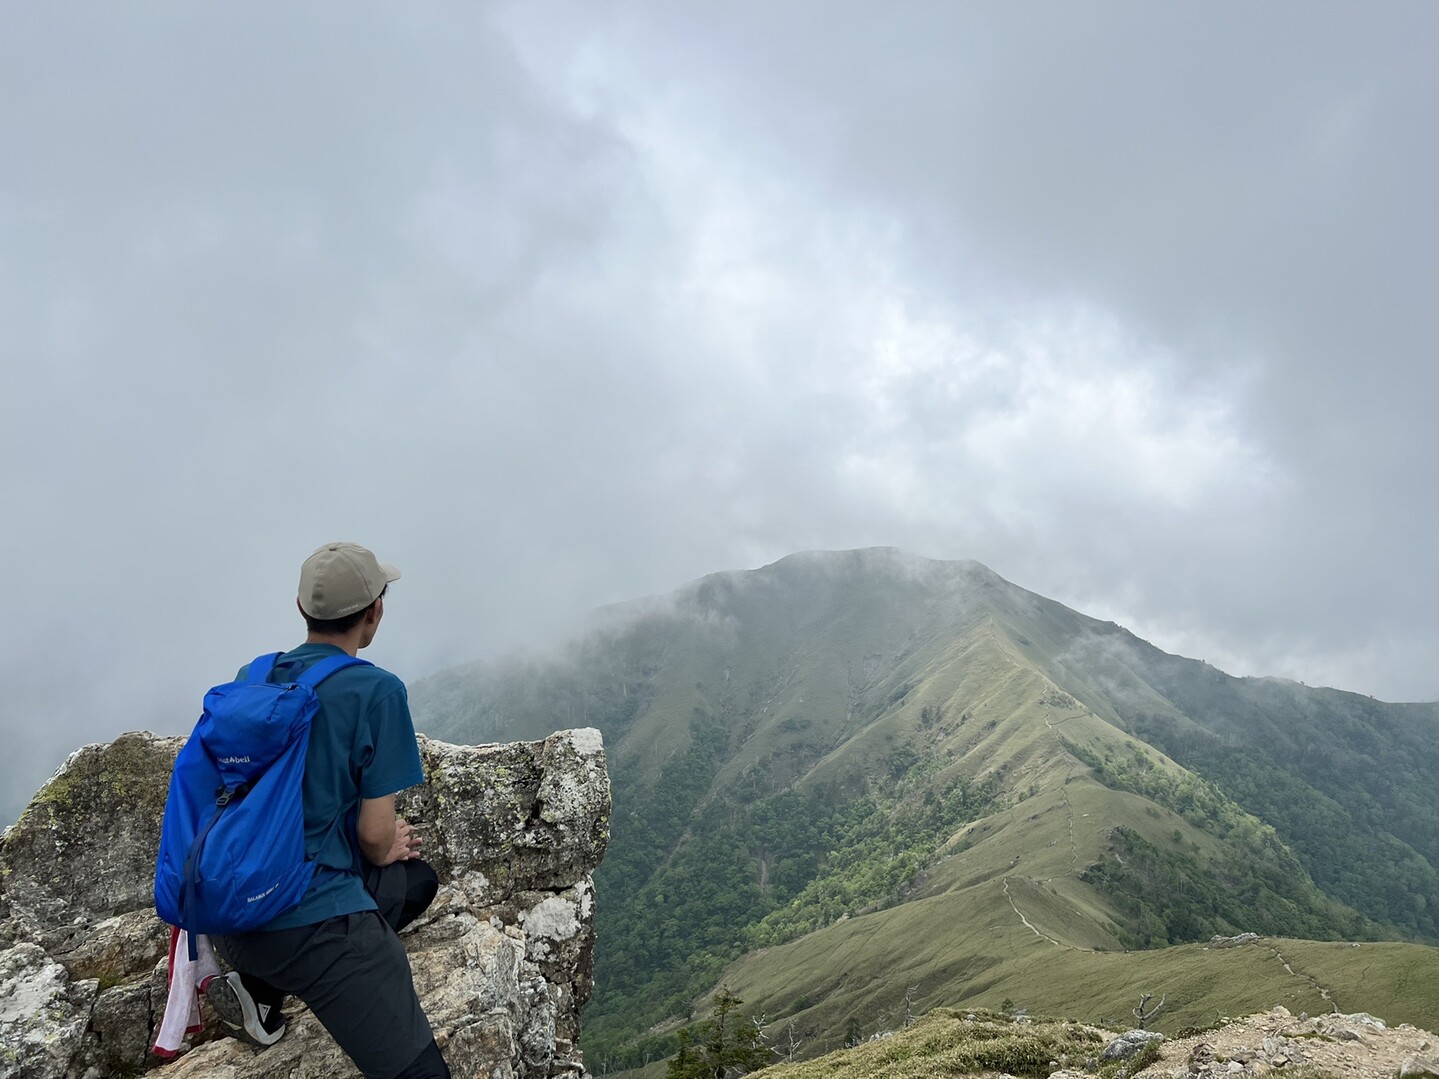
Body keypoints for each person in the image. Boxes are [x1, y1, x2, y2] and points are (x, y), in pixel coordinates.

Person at [207, 541, 450, 1079]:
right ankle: (288, 977)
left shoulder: (255, 675)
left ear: (302, 611)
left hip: (229, 914)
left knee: (416, 883)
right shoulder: (377, 691)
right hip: (311, 926)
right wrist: (389, 845)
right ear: (375, 612)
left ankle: (258, 989)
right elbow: (372, 835)